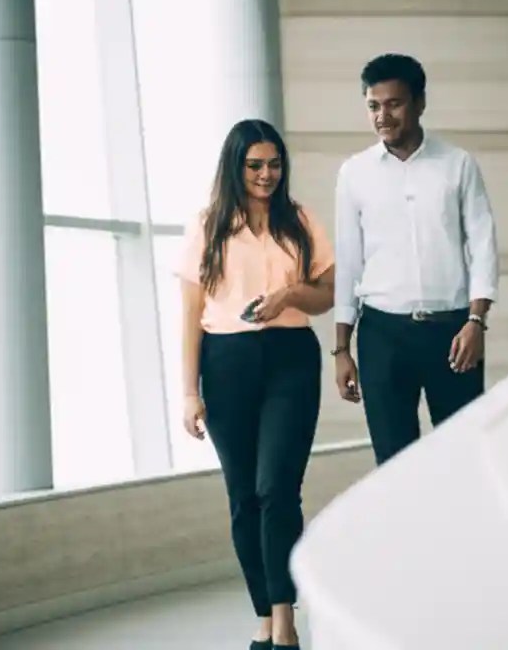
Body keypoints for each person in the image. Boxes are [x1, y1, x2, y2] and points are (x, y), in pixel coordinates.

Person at [177, 118, 335, 650]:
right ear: (235, 167)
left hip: (290, 357)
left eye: (274, 163)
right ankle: (264, 614)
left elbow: (327, 295)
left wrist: (290, 295)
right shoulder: (208, 226)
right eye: (255, 165)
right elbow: (190, 316)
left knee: (277, 489)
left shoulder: (300, 221)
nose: (267, 174)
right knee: (244, 496)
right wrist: (188, 391)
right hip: (225, 362)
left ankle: (285, 621)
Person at [332, 53, 499, 465]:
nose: (382, 116)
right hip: (382, 336)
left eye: (394, 104)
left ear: (419, 103)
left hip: (452, 333)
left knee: (463, 457)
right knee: (393, 465)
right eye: (373, 105)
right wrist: (341, 349)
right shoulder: (353, 173)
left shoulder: (457, 165)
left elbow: (483, 245)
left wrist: (476, 322)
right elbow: (349, 261)